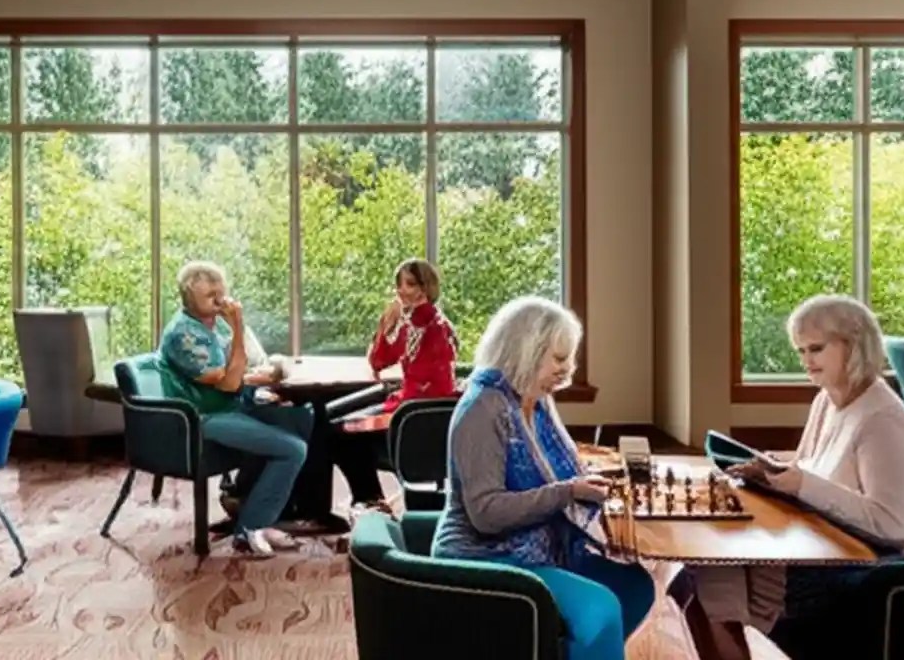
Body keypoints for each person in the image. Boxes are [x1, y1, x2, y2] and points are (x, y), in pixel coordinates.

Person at [689, 295, 904, 660]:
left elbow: (893, 526)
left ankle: (741, 644)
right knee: (712, 559)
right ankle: (737, 645)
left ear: (854, 345)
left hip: (873, 559)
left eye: (816, 349)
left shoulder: (883, 421)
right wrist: (770, 470)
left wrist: (801, 484)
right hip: (824, 539)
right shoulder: (826, 400)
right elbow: (812, 465)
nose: (806, 361)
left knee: (718, 566)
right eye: (800, 351)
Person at [431, 296, 655, 660]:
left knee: (635, 586)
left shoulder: (535, 399)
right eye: (559, 358)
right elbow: (486, 514)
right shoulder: (483, 408)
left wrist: (583, 484)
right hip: (484, 559)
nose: (568, 370)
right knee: (600, 610)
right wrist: (565, 493)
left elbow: (557, 470)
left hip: (540, 548)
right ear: (526, 351)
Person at [159, 260, 311, 557]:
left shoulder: (218, 321)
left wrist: (268, 377)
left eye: (221, 292)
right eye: (210, 295)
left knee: (300, 416)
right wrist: (239, 326)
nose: (219, 300)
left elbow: (252, 363)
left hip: (236, 403)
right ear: (189, 299)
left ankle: (246, 501)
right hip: (203, 416)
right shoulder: (184, 334)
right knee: (293, 449)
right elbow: (228, 383)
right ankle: (250, 527)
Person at [328, 259, 459, 512]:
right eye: (399, 284)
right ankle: (371, 499)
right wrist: (386, 324)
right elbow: (378, 361)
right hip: (408, 405)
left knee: (339, 434)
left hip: (417, 415)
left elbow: (431, 384)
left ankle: (371, 499)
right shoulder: (409, 323)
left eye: (409, 284)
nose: (401, 290)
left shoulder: (435, 328)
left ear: (425, 288)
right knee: (337, 426)